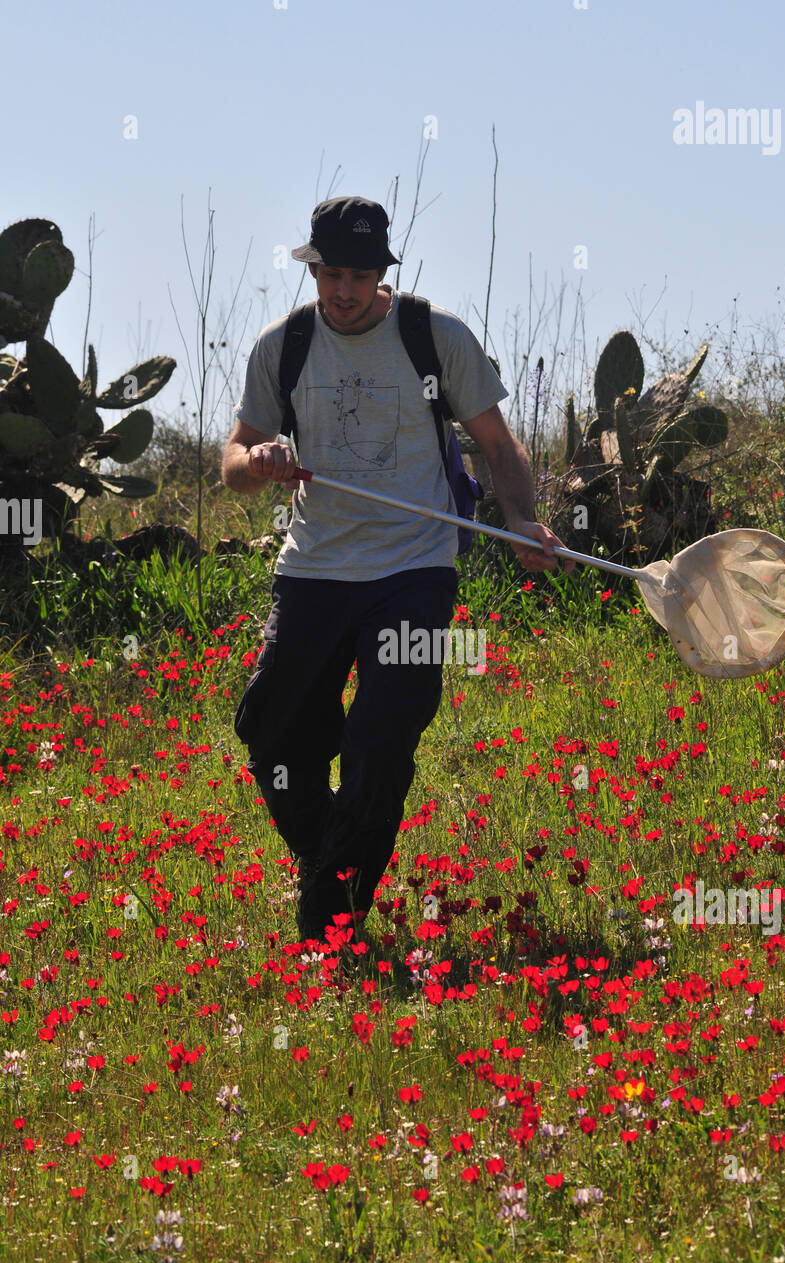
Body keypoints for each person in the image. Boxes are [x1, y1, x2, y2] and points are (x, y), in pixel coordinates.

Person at [221, 196, 574, 938]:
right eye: (331, 273)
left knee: (379, 742)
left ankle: (329, 920)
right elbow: (232, 462)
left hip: (414, 570)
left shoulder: (432, 338)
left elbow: (499, 447)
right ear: (312, 269)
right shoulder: (281, 346)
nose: (344, 290)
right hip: (313, 570)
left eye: (359, 274)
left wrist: (518, 521)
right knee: (274, 733)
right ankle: (329, 857)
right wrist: (257, 461)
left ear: (381, 272)